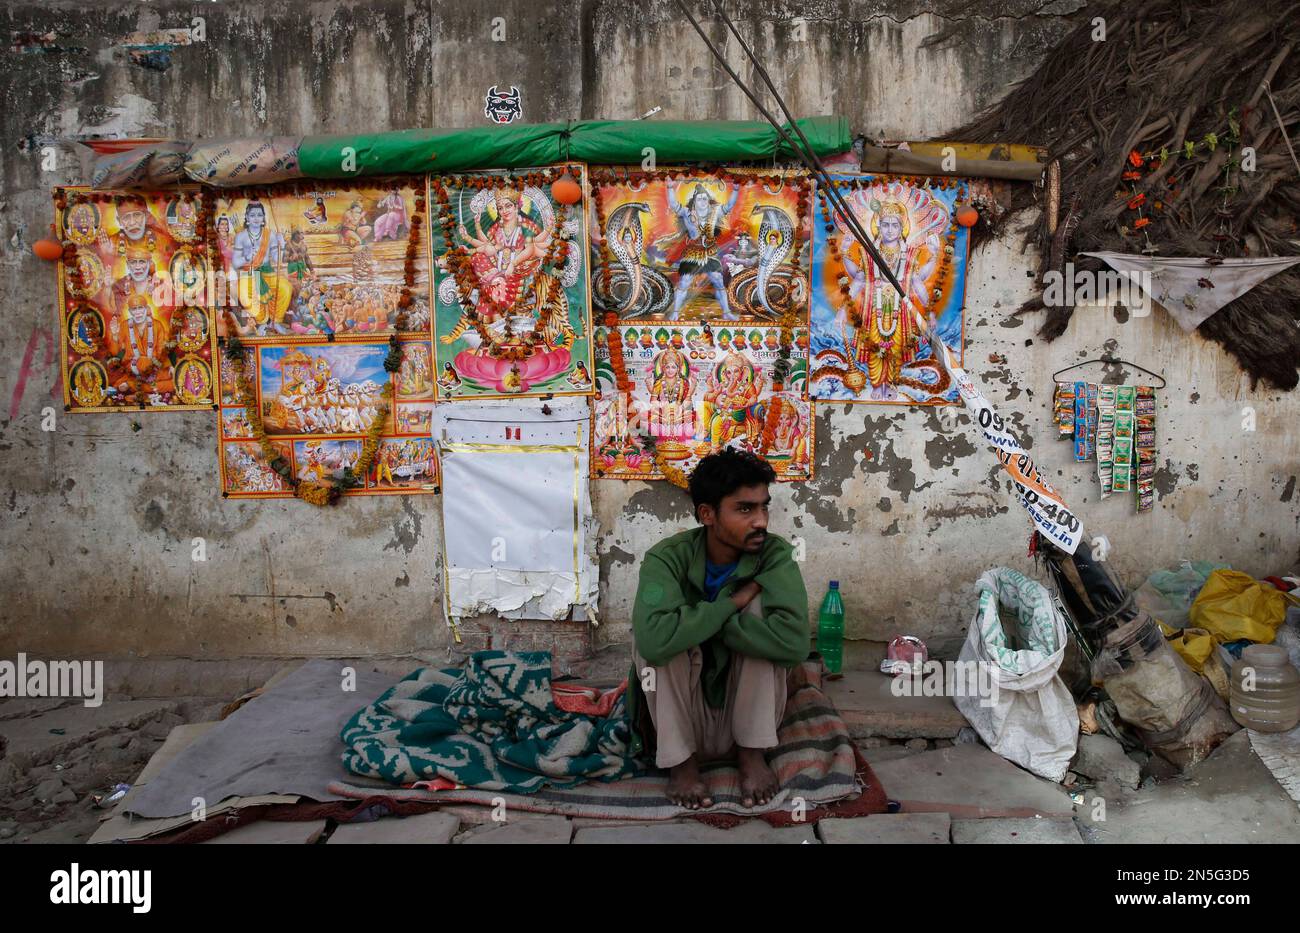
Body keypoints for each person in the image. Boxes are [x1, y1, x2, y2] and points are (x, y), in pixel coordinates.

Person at [628, 449, 809, 809]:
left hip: (745, 713)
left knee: (756, 614)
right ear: (707, 514)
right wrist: (731, 604)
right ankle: (681, 765)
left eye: (763, 507)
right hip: (681, 714)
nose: (760, 521)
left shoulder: (775, 556)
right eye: (745, 509)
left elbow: (793, 643)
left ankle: (752, 756)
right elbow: (654, 640)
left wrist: (705, 622)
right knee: (650, 638)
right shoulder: (667, 557)